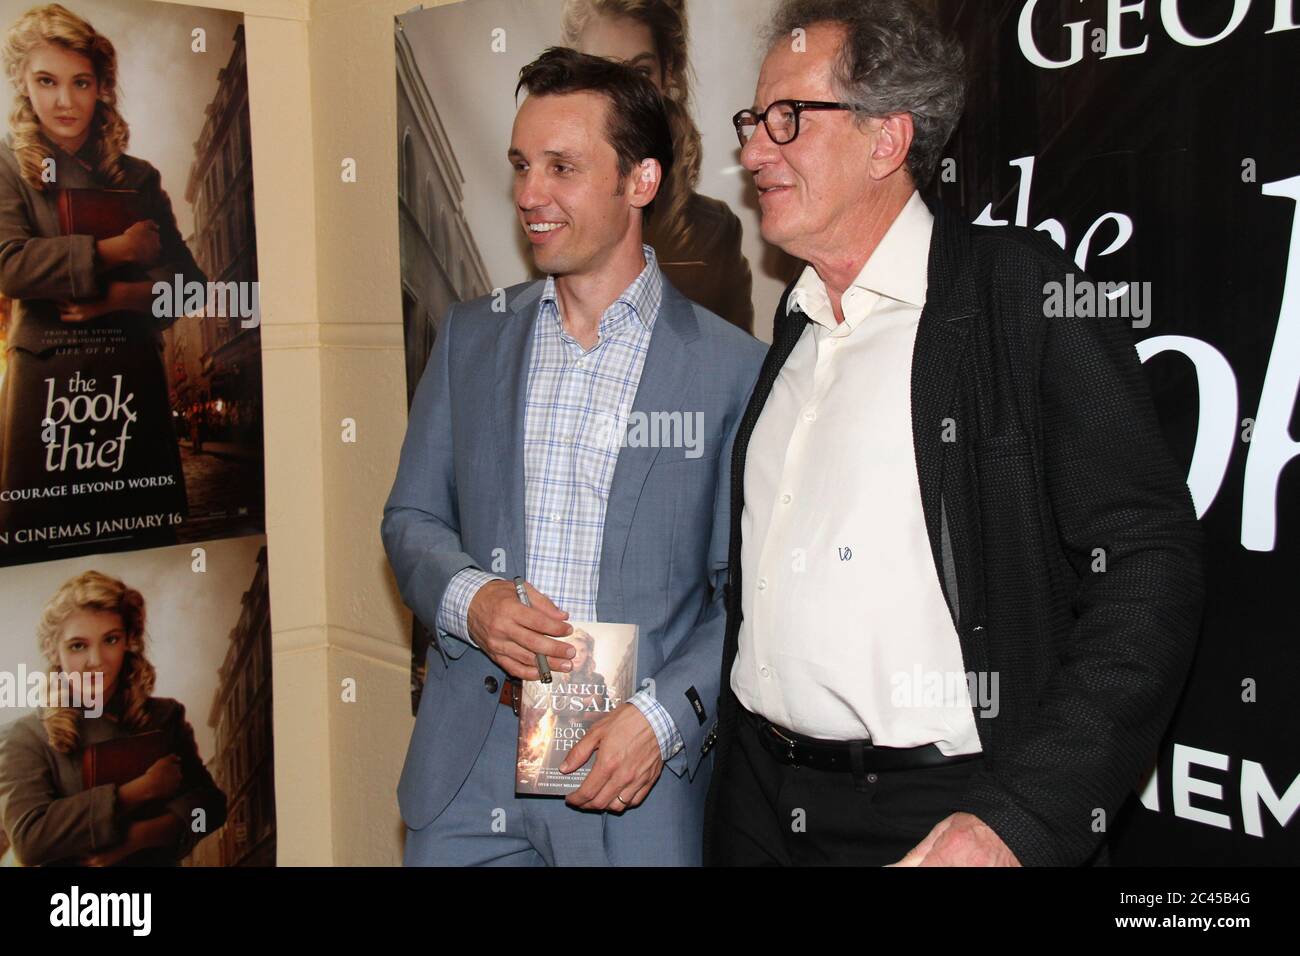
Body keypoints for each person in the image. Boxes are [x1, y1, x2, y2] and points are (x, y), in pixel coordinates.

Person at [703, 0, 1205, 867]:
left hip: (938, 817)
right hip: (758, 799)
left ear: (886, 140)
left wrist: (1021, 818)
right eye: (754, 120)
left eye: (787, 119)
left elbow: (1150, 564)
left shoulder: (1017, 296)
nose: (752, 152)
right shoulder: (793, 327)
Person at [383, 46, 764, 866]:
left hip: (632, 777)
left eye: (562, 166)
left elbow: (746, 597)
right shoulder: (471, 338)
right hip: (465, 773)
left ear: (641, 182)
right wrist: (469, 601)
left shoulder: (732, 371)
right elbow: (410, 519)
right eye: (522, 165)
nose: (528, 195)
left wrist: (662, 721)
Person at [0, 3, 207, 563]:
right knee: (40, 547)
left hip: (132, 386)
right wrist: (117, 251)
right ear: (23, 83)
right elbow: (11, 265)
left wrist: (116, 298)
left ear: (101, 89)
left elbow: (192, 286)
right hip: (47, 393)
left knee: (145, 543)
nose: (64, 101)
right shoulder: (6, 167)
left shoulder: (138, 177)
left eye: (80, 82)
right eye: (47, 81)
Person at [0, 570, 227, 866]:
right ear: (54, 651)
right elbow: (31, 842)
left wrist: (142, 837)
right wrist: (138, 792)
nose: (96, 660)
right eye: (78, 645)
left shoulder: (164, 716)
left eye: (110, 639)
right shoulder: (25, 736)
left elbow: (211, 808)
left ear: (128, 641)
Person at [562, 0, 755, 333]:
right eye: (601, 72)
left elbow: (733, 373)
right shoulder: (554, 210)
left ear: (668, 74)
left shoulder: (711, 232)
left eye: (640, 72)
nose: (623, 94)